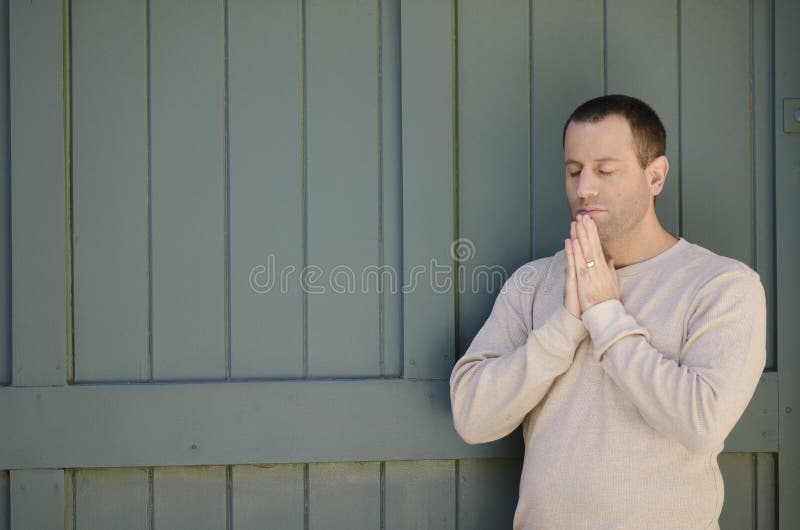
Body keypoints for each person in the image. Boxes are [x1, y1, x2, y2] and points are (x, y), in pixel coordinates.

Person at [449, 94, 766, 530]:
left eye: (605, 170)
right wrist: (564, 327)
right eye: (574, 171)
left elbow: (701, 423)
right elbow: (472, 416)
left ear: (655, 176)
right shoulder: (534, 282)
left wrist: (604, 314)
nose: (584, 189)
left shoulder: (723, 286)